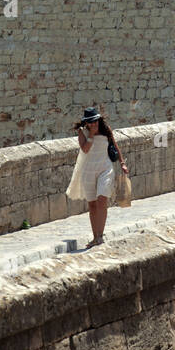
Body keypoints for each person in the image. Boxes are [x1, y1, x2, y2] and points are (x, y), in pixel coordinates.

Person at [66, 106, 129, 248]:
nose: (94, 124)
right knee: (92, 205)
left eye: (95, 121)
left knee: (102, 199)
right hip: (88, 171)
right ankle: (95, 237)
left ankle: (100, 235)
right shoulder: (82, 133)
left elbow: (115, 146)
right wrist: (91, 135)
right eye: (91, 122)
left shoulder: (106, 130)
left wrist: (122, 163)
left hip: (105, 168)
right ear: (86, 123)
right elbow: (85, 149)